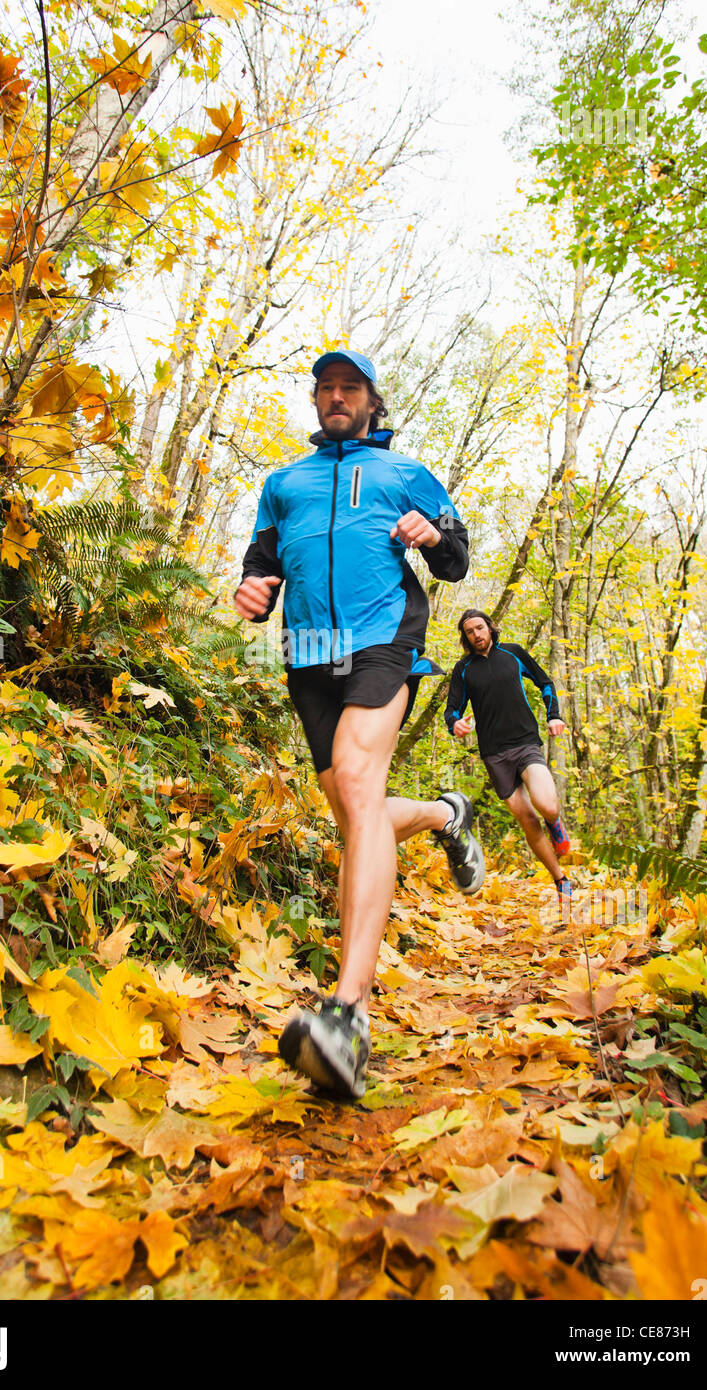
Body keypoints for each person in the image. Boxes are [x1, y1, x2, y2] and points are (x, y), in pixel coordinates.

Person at [233, 350, 485, 1100]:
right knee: (356, 815)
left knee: (355, 778)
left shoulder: (405, 472)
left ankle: (347, 1014)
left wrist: (433, 537)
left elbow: (457, 559)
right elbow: (261, 560)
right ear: (316, 402)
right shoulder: (284, 483)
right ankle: (447, 814)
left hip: (383, 641)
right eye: (326, 389)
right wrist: (252, 589)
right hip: (307, 654)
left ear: (373, 401)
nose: (337, 397)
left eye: (351, 388)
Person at [445, 609, 571, 900]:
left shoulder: (513, 654)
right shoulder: (464, 669)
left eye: (480, 628)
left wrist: (554, 716)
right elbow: (452, 710)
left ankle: (556, 824)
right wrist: (456, 725)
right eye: (470, 632)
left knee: (546, 805)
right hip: (495, 754)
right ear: (465, 637)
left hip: (526, 743)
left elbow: (545, 682)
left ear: (490, 627)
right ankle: (561, 879)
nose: (477, 634)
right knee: (527, 819)